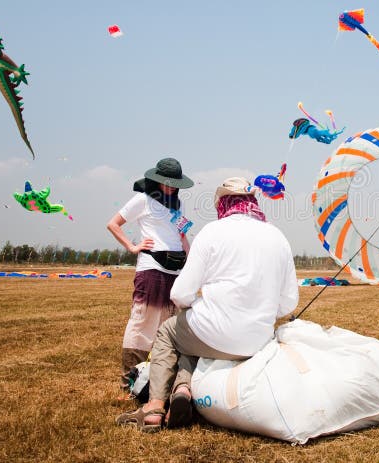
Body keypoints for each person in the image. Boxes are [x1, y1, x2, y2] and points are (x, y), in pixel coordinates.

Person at [116, 177, 299, 432]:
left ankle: (154, 407)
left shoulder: (212, 231)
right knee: (193, 337)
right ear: (252, 202)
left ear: (222, 203)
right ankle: (182, 389)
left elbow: (180, 293)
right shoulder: (278, 236)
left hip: (212, 334)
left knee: (171, 333)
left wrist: (196, 305)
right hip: (256, 341)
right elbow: (289, 302)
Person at [107, 158, 194, 394]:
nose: (172, 187)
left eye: (176, 183)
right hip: (151, 268)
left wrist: (192, 261)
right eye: (168, 183)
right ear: (157, 180)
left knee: (169, 324)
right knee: (143, 322)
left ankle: (159, 381)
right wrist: (132, 246)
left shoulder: (178, 205)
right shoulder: (142, 199)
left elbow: (182, 236)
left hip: (175, 270)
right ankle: (129, 381)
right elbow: (114, 224)